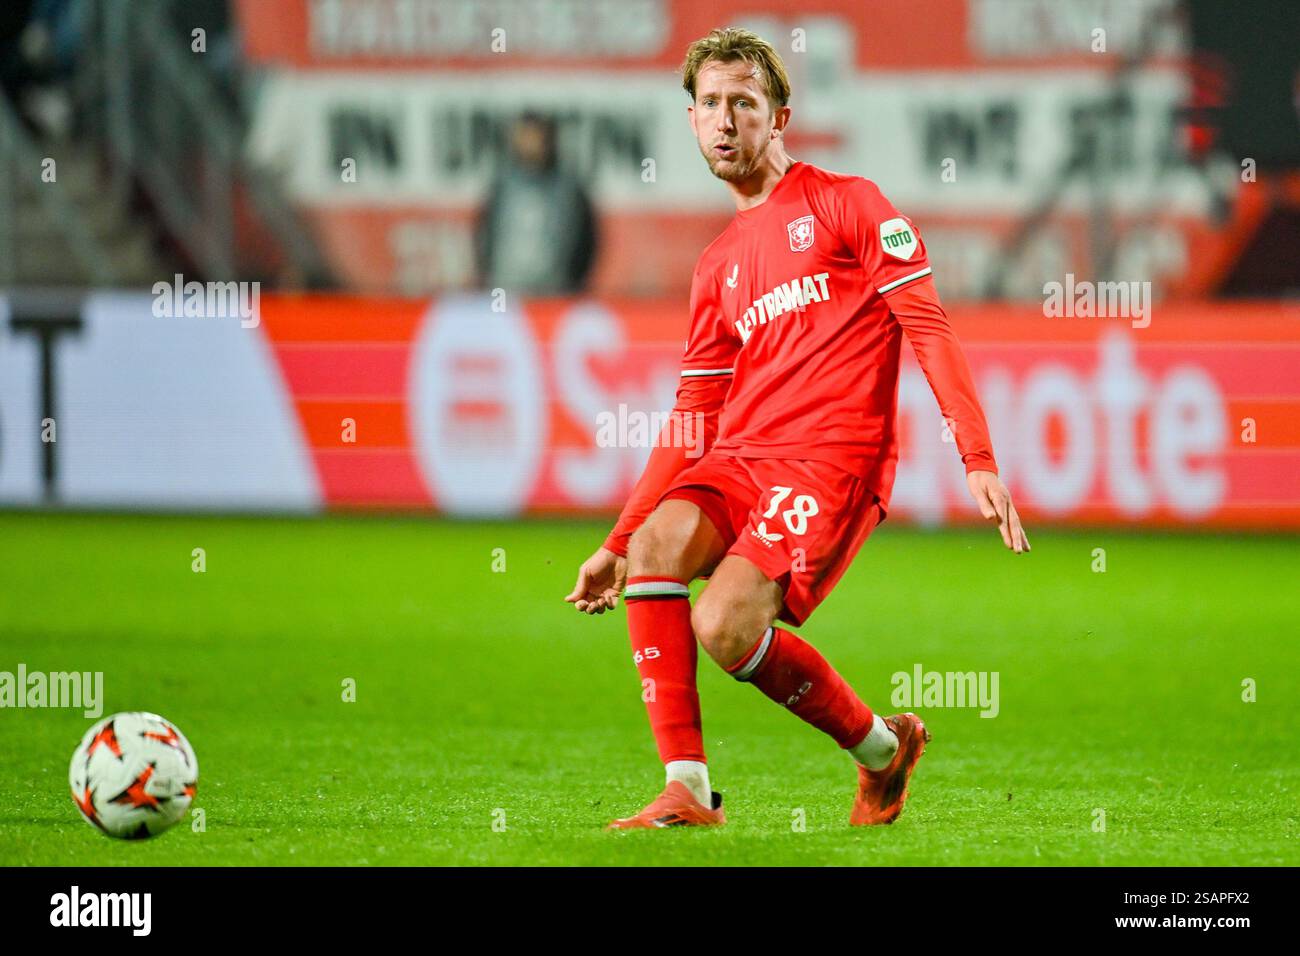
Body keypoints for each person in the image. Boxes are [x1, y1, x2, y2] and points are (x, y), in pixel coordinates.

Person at [565, 27, 1030, 830]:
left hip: (830, 466)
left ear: (779, 115)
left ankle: (882, 751)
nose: (723, 120)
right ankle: (689, 789)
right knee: (653, 550)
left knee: (723, 624)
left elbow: (928, 326)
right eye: (708, 104)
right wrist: (615, 540)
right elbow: (691, 418)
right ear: (690, 119)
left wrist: (977, 456)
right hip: (744, 457)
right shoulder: (716, 266)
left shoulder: (849, 205)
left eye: (742, 103)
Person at [475, 110, 598, 295]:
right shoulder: (502, 184)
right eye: (526, 137)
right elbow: (485, 232)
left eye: (538, 137)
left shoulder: (568, 188)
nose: (532, 144)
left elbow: (586, 239)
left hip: (554, 292)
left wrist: (573, 282)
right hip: (507, 289)